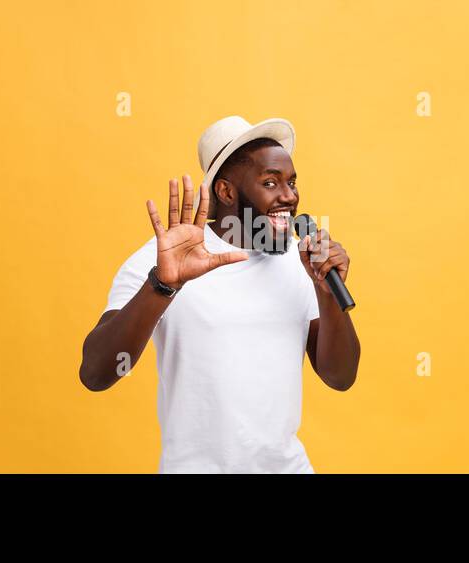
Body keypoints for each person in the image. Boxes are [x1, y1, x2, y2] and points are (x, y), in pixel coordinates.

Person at [79, 116, 361, 473]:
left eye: (291, 182)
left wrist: (326, 292)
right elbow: (96, 373)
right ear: (226, 192)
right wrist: (162, 285)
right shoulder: (164, 258)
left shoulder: (300, 260)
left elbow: (341, 376)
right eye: (270, 182)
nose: (289, 196)